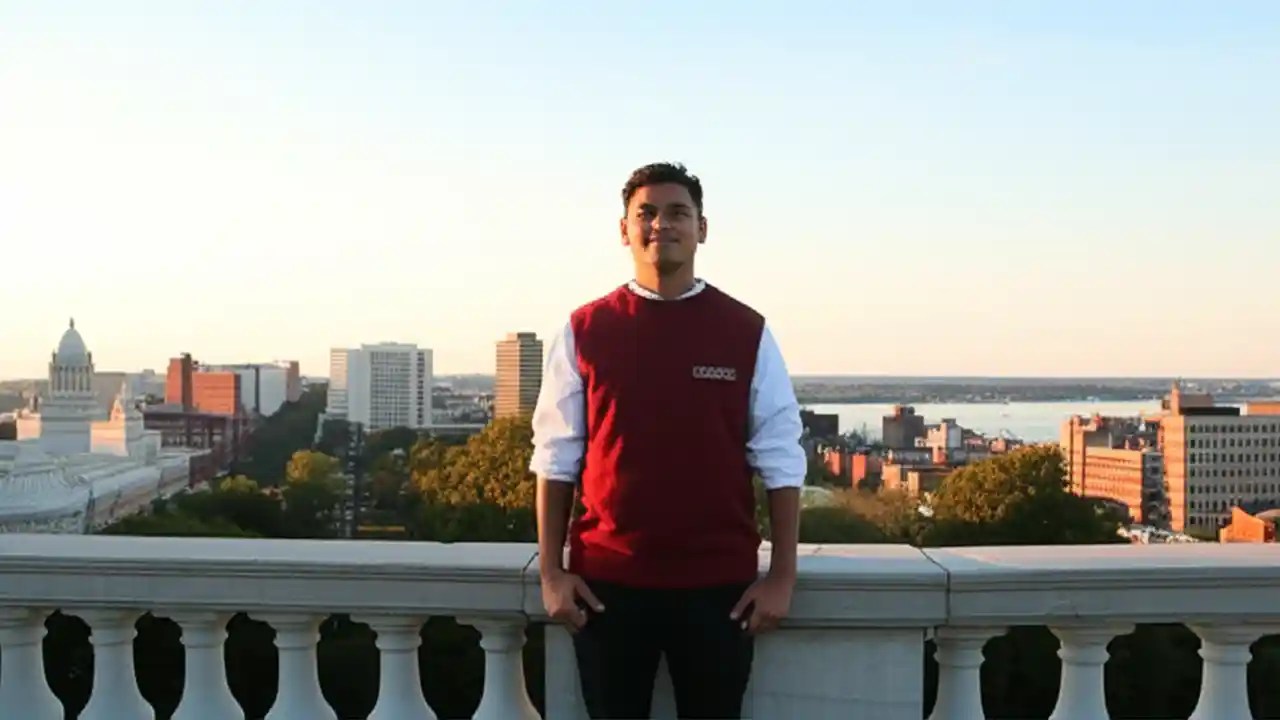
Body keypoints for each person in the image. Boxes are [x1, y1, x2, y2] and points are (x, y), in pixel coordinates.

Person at [529, 161, 805, 719]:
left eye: (678, 212)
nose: (662, 225)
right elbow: (556, 456)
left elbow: (780, 458)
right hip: (605, 587)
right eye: (646, 214)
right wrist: (552, 573)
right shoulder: (585, 329)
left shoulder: (745, 330)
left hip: (719, 590)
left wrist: (782, 577)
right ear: (624, 229)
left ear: (702, 228)